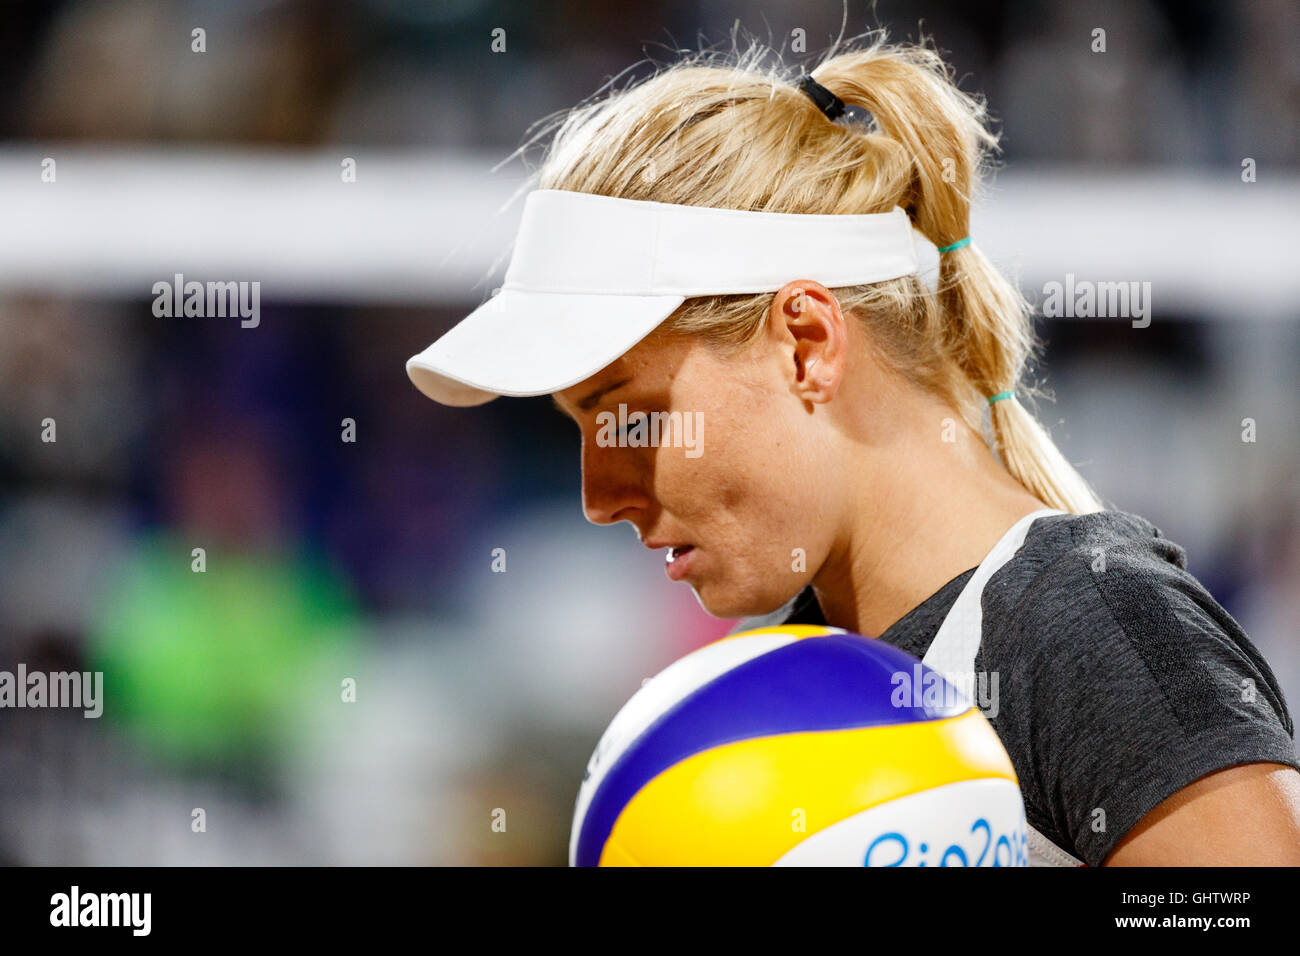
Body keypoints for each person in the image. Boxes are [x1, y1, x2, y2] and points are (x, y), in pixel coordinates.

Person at [405, 36, 1300, 866]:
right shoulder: (784, 669)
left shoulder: (1092, 630)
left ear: (806, 342)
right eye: (578, 426)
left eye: (628, 413)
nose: (601, 494)